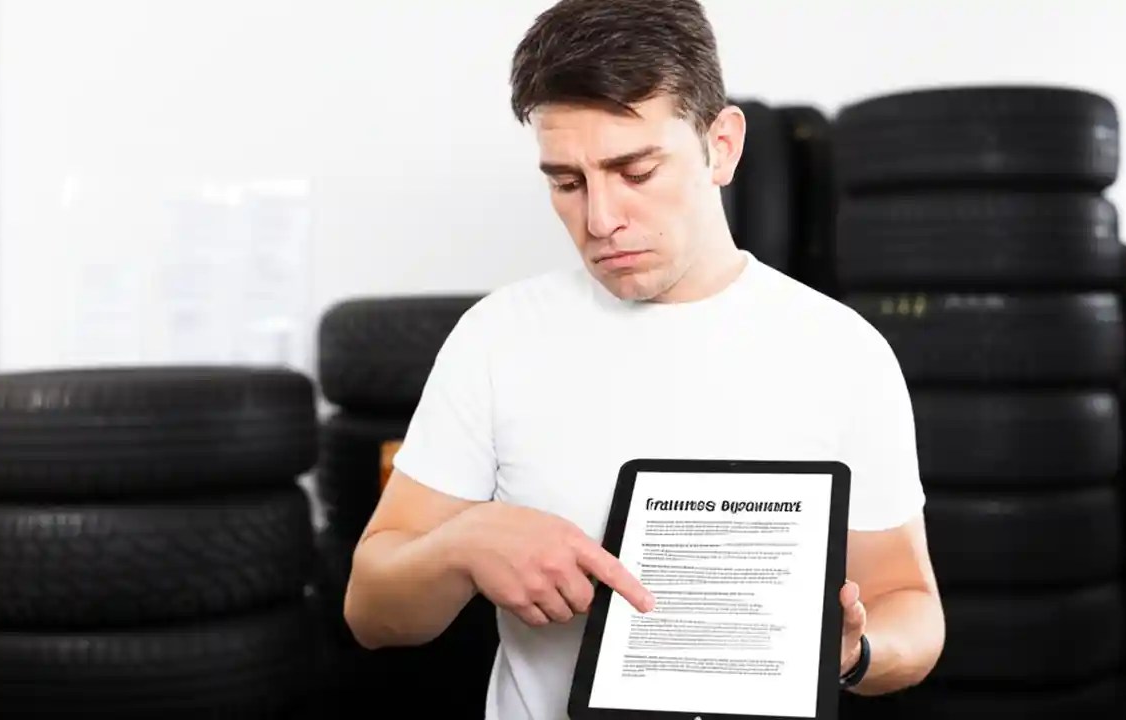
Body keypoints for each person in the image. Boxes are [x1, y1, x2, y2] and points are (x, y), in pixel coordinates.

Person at [343, 0, 945, 717]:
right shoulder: (497, 338)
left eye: (635, 171)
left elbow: (910, 605)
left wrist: (852, 651)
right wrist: (460, 546)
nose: (600, 220)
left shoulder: (842, 353)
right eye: (567, 183)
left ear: (721, 146)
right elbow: (370, 611)